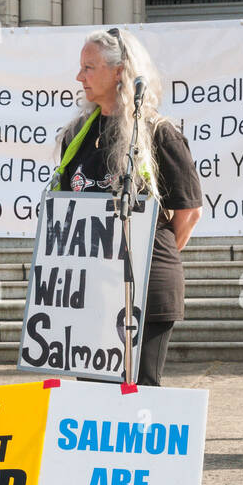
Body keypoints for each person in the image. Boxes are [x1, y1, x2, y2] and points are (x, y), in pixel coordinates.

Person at [54, 27, 202, 386]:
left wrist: (143, 258)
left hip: (147, 289)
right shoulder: (76, 136)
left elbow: (189, 212)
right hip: (89, 290)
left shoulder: (158, 133)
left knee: (140, 395)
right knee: (91, 395)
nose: (79, 77)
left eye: (88, 68)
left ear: (118, 71)